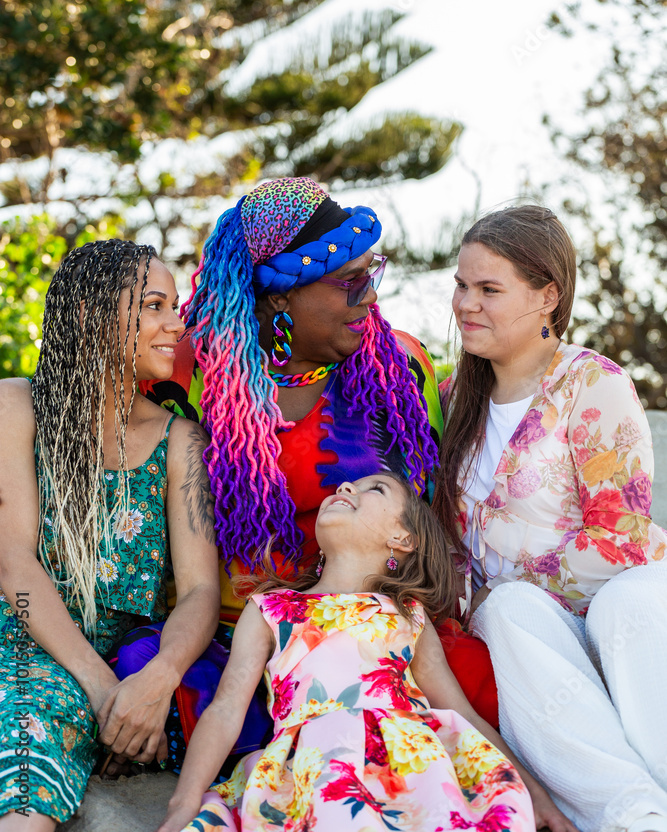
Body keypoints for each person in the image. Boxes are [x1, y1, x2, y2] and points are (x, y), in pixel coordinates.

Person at [140, 176, 500, 736]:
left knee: (474, 669)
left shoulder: (402, 370)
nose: (372, 297)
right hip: (243, 638)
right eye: (350, 282)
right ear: (282, 294)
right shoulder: (185, 379)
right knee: (155, 676)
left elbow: (426, 521)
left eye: (372, 274)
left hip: (375, 635)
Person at [157, 472, 577, 832]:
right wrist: (185, 800)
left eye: (375, 489)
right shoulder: (272, 608)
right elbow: (227, 707)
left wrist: (535, 794)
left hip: (414, 764)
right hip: (314, 763)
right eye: (350, 484)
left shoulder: (407, 614)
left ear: (403, 538)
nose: (345, 486)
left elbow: (463, 714)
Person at [435, 205, 667, 832]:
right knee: (507, 613)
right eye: (461, 285)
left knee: (627, 603)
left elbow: (620, 539)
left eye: (489, 289)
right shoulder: (458, 396)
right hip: (527, 624)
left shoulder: (593, 384)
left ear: (547, 297)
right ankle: (635, 816)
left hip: (621, 602)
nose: (465, 304)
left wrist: (505, 587)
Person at [0, 240, 220, 829]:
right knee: (30, 716)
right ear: (90, 315)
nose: (176, 324)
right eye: (153, 306)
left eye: (174, 305)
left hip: (112, 669)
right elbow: (14, 564)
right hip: (25, 645)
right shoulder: (15, 406)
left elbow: (201, 590)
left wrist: (156, 680)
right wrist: (103, 691)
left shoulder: (182, 443)